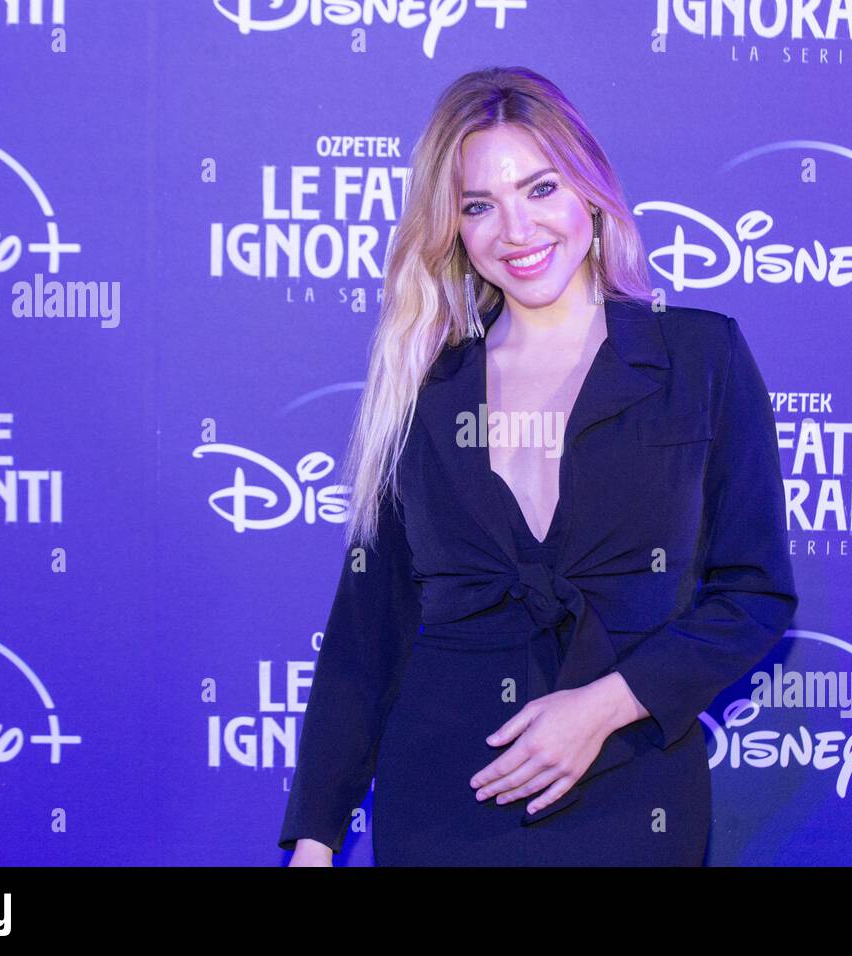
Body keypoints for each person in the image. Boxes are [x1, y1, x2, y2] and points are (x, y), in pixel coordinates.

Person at [280, 66, 798, 866]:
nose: (515, 230)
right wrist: (315, 840)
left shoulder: (699, 358)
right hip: (446, 800)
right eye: (479, 205)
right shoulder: (424, 385)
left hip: (631, 790)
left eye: (540, 188)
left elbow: (755, 593)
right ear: (451, 228)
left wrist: (602, 707)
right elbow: (366, 632)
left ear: (590, 192)